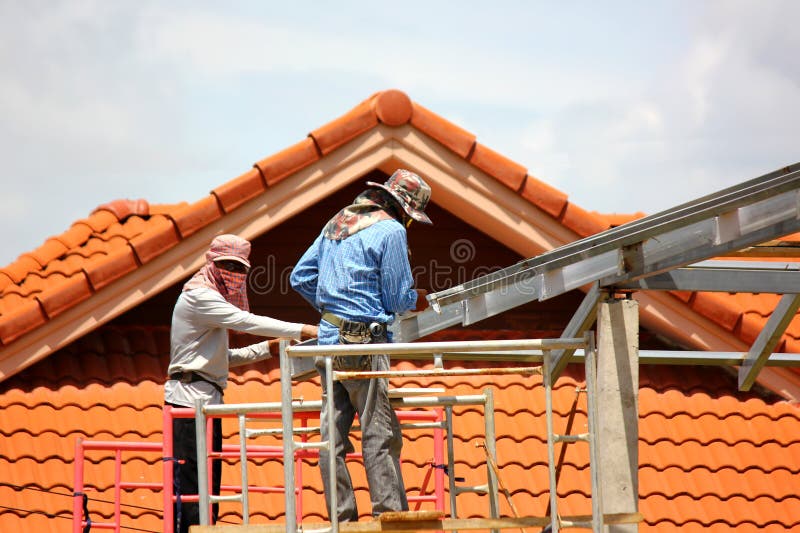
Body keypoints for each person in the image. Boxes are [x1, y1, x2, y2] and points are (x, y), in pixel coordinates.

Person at [290, 169, 432, 521]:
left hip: (328, 340)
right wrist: (416, 299)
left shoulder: (337, 222)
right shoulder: (392, 230)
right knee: (379, 432)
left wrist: (334, 308)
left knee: (331, 438)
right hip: (365, 343)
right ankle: (390, 517)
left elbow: (300, 277)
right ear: (404, 210)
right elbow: (397, 298)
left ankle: (342, 519)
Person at [165, 234, 318, 533]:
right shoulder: (201, 296)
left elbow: (221, 360)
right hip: (188, 402)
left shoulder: (211, 299)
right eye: (227, 265)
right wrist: (304, 329)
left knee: (210, 488)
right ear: (212, 262)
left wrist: (266, 349)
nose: (233, 273)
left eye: (239, 268)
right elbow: (246, 322)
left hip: (208, 403)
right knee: (192, 490)